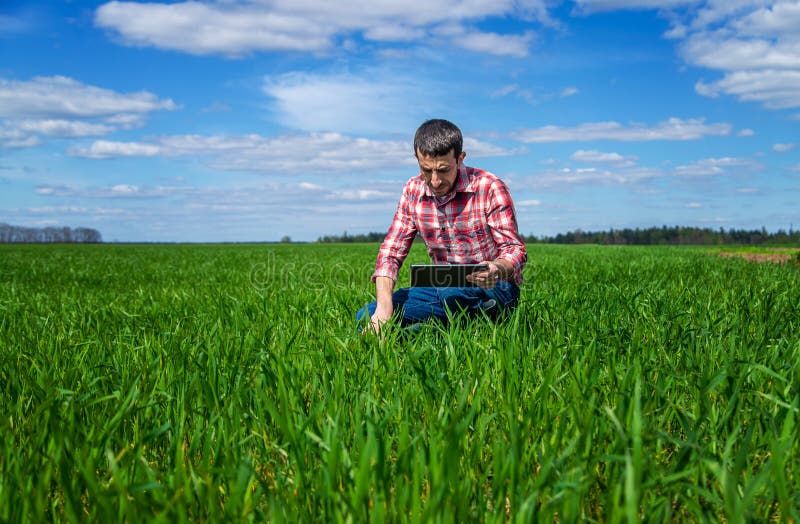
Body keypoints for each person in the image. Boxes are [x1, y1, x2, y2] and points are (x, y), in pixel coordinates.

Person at [357, 119, 527, 333]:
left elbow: (514, 250)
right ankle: (449, 329)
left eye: (443, 170)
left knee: (451, 292)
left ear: (460, 159)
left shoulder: (490, 187)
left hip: (494, 287)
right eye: (426, 170)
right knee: (365, 315)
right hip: (441, 288)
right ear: (417, 159)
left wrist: (498, 268)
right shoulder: (412, 191)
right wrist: (383, 310)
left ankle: (438, 330)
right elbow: (391, 252)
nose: (435, 181)